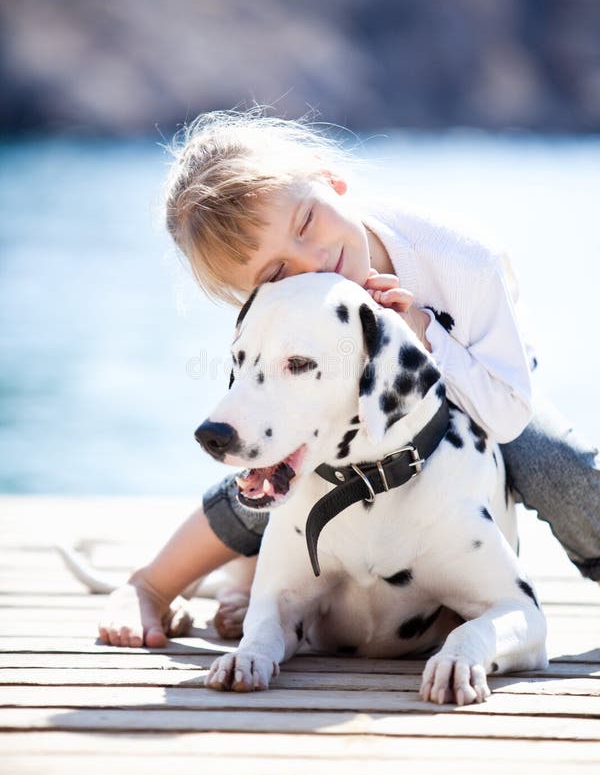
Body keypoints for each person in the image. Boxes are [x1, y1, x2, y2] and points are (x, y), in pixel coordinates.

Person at [98, 110, 600, 649]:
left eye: (308, 222)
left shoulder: (462, 258)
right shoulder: (297, 311)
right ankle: (154, 583)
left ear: (330, 180)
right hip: (359, 413)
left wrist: (422, 334)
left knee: (557, 461)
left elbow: (507, 409)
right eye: (277, 274)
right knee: (271, 461)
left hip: (485, 391)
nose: (316, 261)